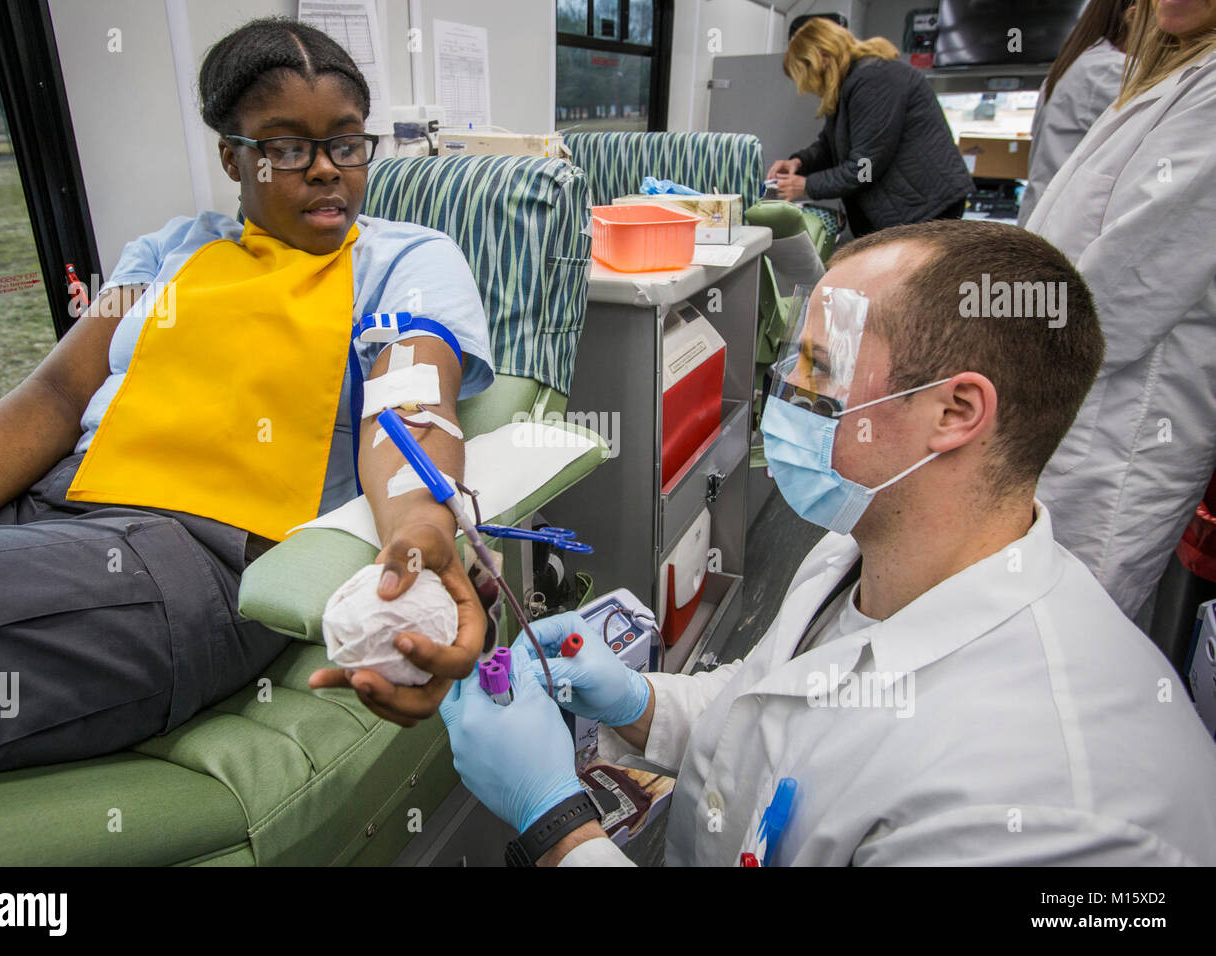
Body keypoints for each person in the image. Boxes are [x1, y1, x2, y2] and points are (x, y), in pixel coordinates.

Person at [441, 220, 1216, 866]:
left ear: (954, 412)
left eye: (816, 368)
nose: (782, 393)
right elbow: (772, 704)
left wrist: (557, 827)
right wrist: (639, 702)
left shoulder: (1042, 807)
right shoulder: (862, 546)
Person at [0, 17, 493, 778]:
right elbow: (56, 393)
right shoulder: (168, 250)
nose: (326, 170)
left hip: (191, 552)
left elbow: (410, 405)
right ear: (233, 156)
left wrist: (421, 524)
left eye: (346, 145)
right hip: (52, 506)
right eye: (286, 147)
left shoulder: (405, 258)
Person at [1025, 0, 1216, 621]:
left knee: (1069, 623)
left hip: (1122, 424)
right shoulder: (1168, 78)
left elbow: (1122, 290)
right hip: (1072, 389)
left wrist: (998, 335)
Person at [766, 18, 974, 238]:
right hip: (906, 205)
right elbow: (829, 145)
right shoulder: (851, 82)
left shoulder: (874, 79)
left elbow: (864, 170)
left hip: (924, 208)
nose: (810, 87)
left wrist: (806, 185)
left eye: (807, 76)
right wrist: (798, 163)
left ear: (823, 57)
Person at [1016, 0, 1132, 227]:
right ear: (1133, 16)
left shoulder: (1074, 63)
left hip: (1044, 213)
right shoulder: (1111, 69)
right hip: (1066, 221)